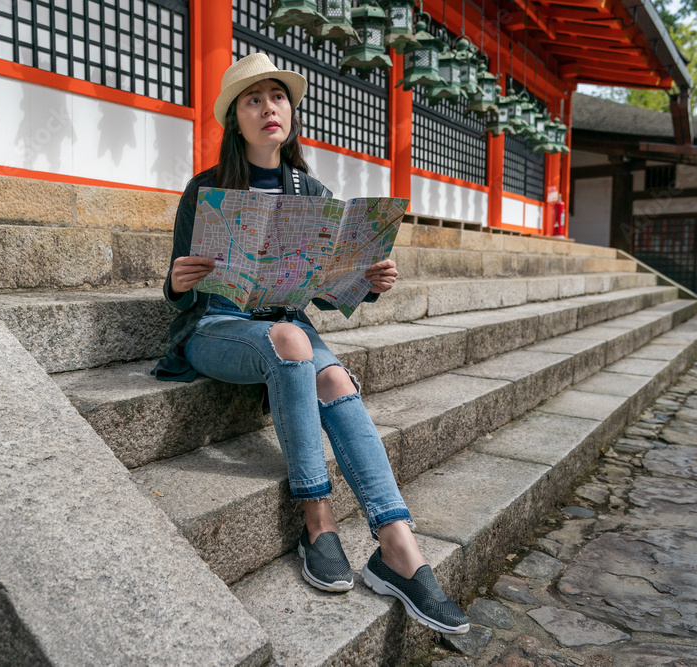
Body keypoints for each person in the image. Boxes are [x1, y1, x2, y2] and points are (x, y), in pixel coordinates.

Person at [153, 52, 469, 636]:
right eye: (253, 99)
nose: (268, 107)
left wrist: (366, 282)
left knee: (334, 377)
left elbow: (322, 289)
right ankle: (317, 521)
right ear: (236, 120)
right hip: (218, 327)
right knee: (293, 342)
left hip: (288, 323)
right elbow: (176, 288)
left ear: (290, 113)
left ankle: (398, 548)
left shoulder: (312, 190)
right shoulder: (206, 189)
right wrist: (176, 281)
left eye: (277, 97)